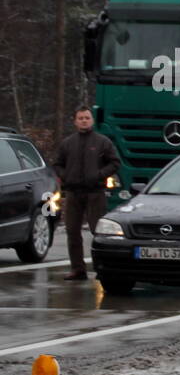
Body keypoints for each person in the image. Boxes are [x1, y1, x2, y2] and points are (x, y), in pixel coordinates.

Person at [52, 106, 120, 281]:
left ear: (92, 120)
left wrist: (99, 175)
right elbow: (57, 164)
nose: (84, 120)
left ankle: (102, 267)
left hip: (95, 193)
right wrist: (65, 175)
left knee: (98, 232)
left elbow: (114, 163)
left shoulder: (102, 142)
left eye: (87, 118)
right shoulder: (68, 143)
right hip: (73, 193)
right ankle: (78, 269)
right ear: (75, 121)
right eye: (81, 118)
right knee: (72, 231)